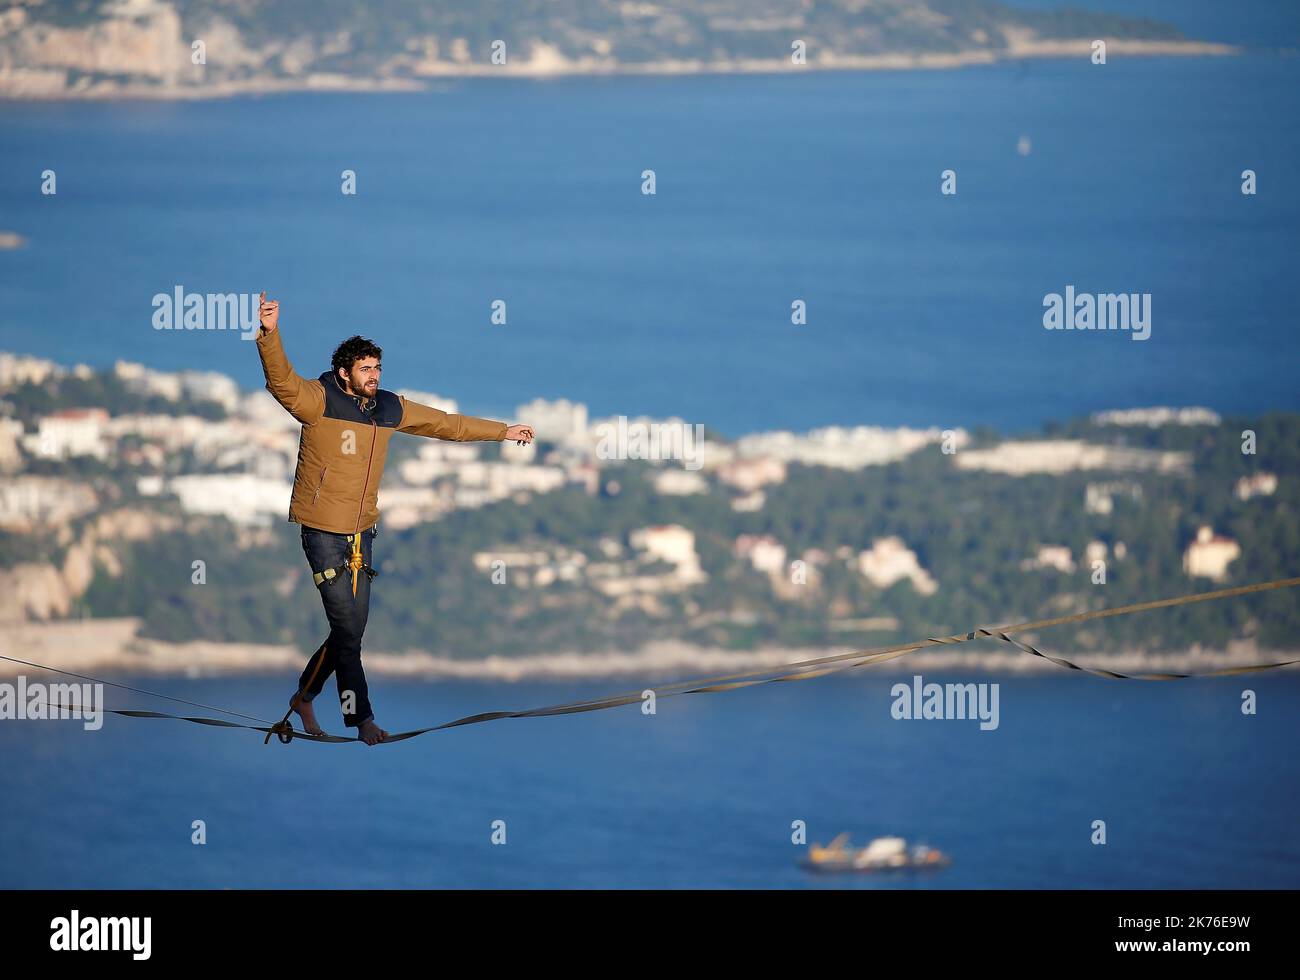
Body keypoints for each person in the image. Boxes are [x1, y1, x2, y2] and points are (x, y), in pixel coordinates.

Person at [255, 292, 534, 744]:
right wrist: (270, 335)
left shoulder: (388, 407)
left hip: (363, 536)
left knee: (350, 631)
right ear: (344, 372)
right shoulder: (317, 400)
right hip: (323, 533)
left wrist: (502, 431)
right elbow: (282, 382)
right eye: (365, 369)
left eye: (377, 369)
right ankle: (361, 720)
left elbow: (446, 424)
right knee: (347, 633)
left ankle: (305, 697)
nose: (374, 376)